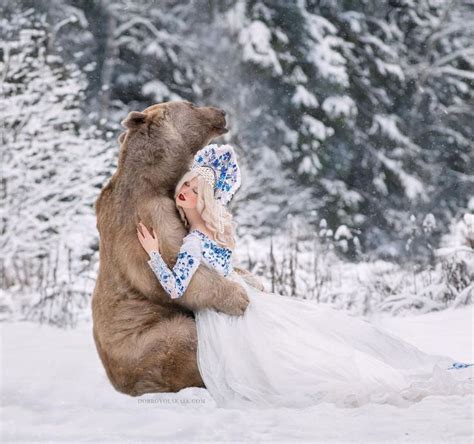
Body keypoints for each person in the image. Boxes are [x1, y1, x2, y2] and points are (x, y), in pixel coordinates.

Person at [136, 143, 473, 409]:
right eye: (186, 185)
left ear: (205, 198)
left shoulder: (196, 241)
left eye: (194, 188)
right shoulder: (210, 233)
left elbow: (176, 287)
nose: (186, 191)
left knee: (281, 362)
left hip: (225, 311)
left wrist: (153, 253)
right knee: (286, 351)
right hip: (237, 299)